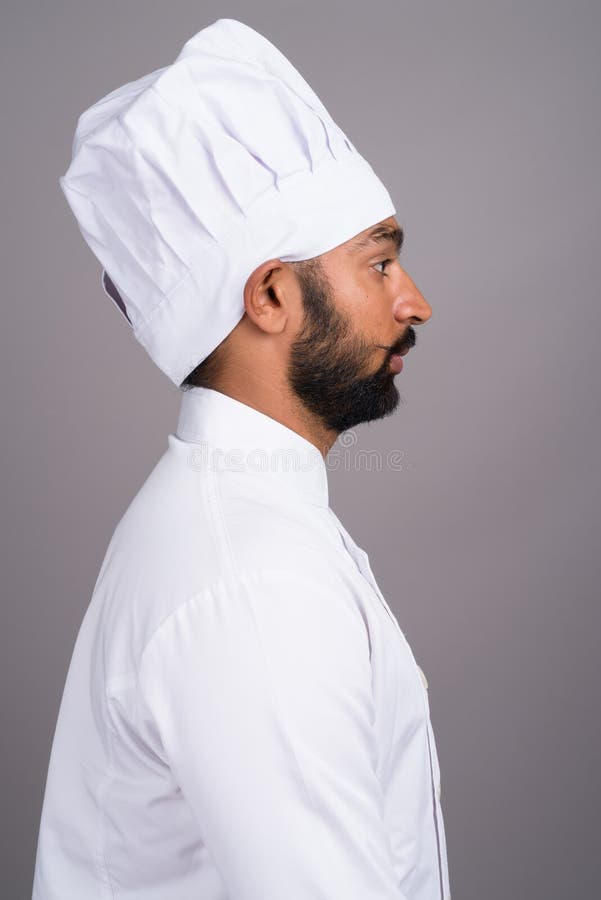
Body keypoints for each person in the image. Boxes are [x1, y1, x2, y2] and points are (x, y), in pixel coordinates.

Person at [32, 17, 451, 900]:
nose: (414, 302)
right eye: (378, 264)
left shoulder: (236, 527)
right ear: (269, 294)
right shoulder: (255, 584)